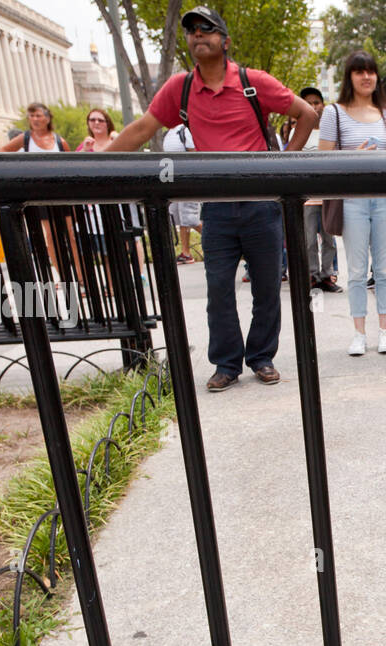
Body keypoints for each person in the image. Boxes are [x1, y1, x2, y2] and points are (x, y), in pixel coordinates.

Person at [105, 4, 318, 391]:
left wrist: (283, 163)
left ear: (225, 40)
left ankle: (262, 357)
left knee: (266, 287)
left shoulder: (253, 82)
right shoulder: (180, 88)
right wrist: (96, 164)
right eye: (192, 31)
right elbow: (142, 128)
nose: (198, 35)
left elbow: (306, 114)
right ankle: (225, 363)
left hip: (260, 205)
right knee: (219, 290)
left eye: (207, 29)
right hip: (216, 209)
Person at [319, 53, 386, 357]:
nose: (366, 77)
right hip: (352, 200)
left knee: (384, 269)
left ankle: (384, 331)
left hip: (384, 200)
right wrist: (353, 153)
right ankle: (358, 333)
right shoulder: (334, 113)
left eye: (371, 72)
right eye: (359, 72)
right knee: (356, 271)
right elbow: (323, 158)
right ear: (349, 77)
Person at [298, 86, 341, 293]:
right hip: (307, 196)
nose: (313, 106)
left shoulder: (329, 130)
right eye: (308, 102)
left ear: (322, 105)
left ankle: (327, 275)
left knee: (329, 238)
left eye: (316, 102)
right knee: (308, 240)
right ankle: (312, 276)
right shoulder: (299, 130)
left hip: (327, 195)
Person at [163, 122, 202, 263]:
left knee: (190, 219)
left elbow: (195, 156)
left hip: (188, 181)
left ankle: (217, 240)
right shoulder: (169, 132)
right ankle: (185, 253)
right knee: (180, 219)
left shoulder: (186, 130)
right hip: (176, 182)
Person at [0, 103, 70, 152]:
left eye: (38, 116)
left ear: (48, 119)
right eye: (31, 116)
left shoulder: (60, 142)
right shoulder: (24, 138)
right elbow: (0, 152)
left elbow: (69, 165)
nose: (34, 119)